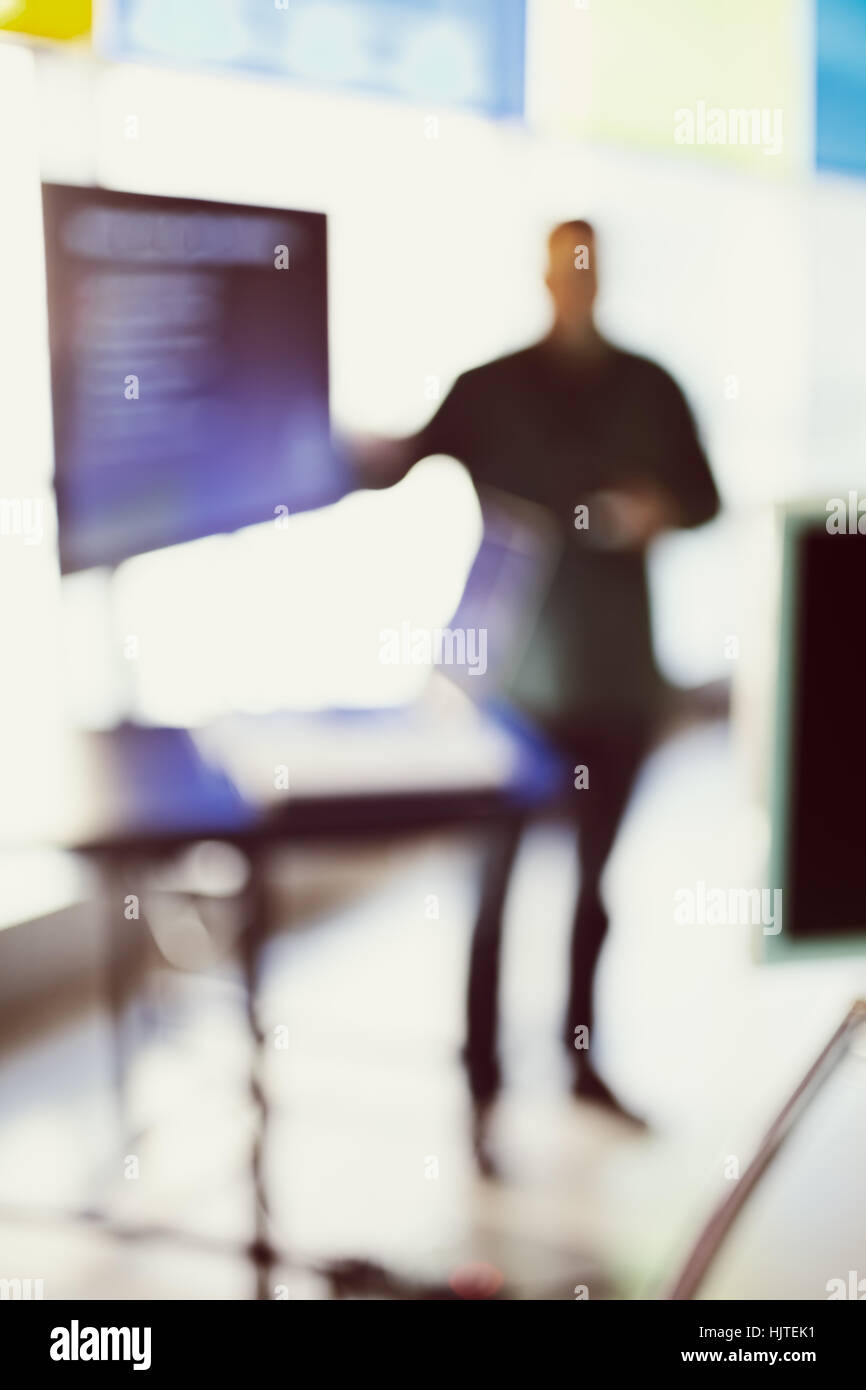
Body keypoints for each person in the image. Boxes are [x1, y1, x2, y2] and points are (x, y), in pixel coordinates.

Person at [353, 220, 719, 1124]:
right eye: (563, 269)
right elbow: (395, 462)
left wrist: (655, 511)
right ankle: (480, 1073)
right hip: (513, 682)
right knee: (493, 885)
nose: (575, 285)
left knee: (596, 885)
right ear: (545, 277)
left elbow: (709, 501)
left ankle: (582, 1061)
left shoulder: (651, 386)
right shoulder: (489, 388)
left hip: (618, 677)